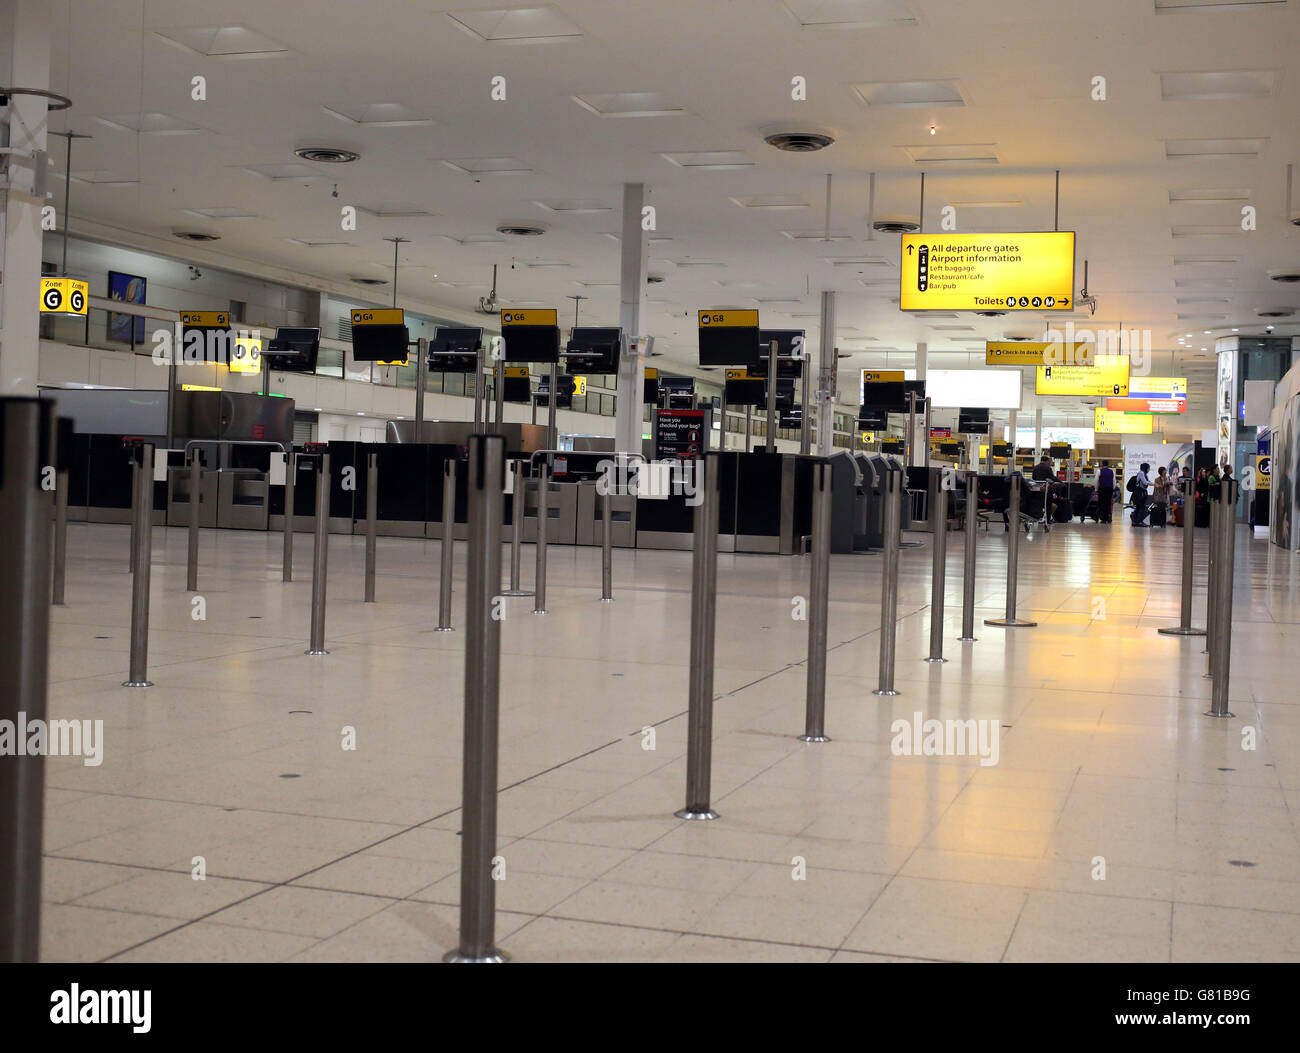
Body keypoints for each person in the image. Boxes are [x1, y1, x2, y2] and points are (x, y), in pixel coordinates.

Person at [1130, 462, 1152, 526]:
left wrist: (1153, 484)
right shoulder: (1141, 473)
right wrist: (1153, 484)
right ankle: (1139, 521)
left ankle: (1136, 521)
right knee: (1141, 507)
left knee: (1139, 507)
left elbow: (1148, 481)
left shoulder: (1144, 473)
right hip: (1140, 492)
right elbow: (1145, 482)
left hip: (1142, 492)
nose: (1149, 470)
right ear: (1145, 468)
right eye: (1148, 468)